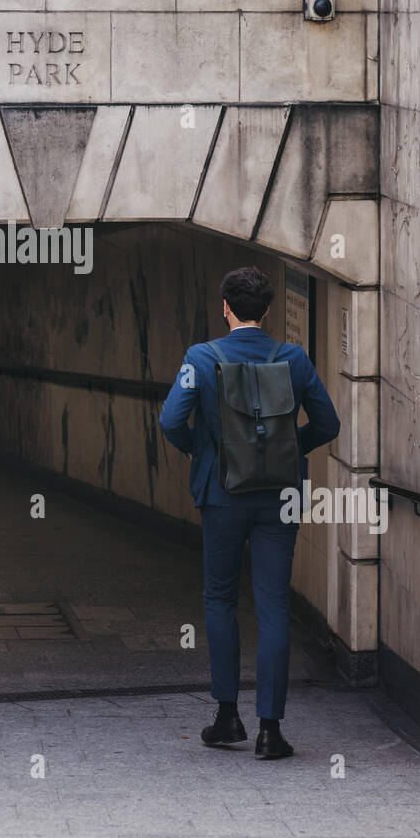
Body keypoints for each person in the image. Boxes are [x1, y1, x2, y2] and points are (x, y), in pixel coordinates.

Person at [159, 266, 340, 760]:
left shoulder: (201, 357)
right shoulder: (295, 360)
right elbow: (328, 422)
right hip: (279, 497)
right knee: (274, 605)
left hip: (222, 494)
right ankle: (270, 731)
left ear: (225, 307)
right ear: (268, 310)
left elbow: (171, 419)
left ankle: (225, 716)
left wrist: (203, 451)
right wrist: (287, 448)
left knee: (219, 599)